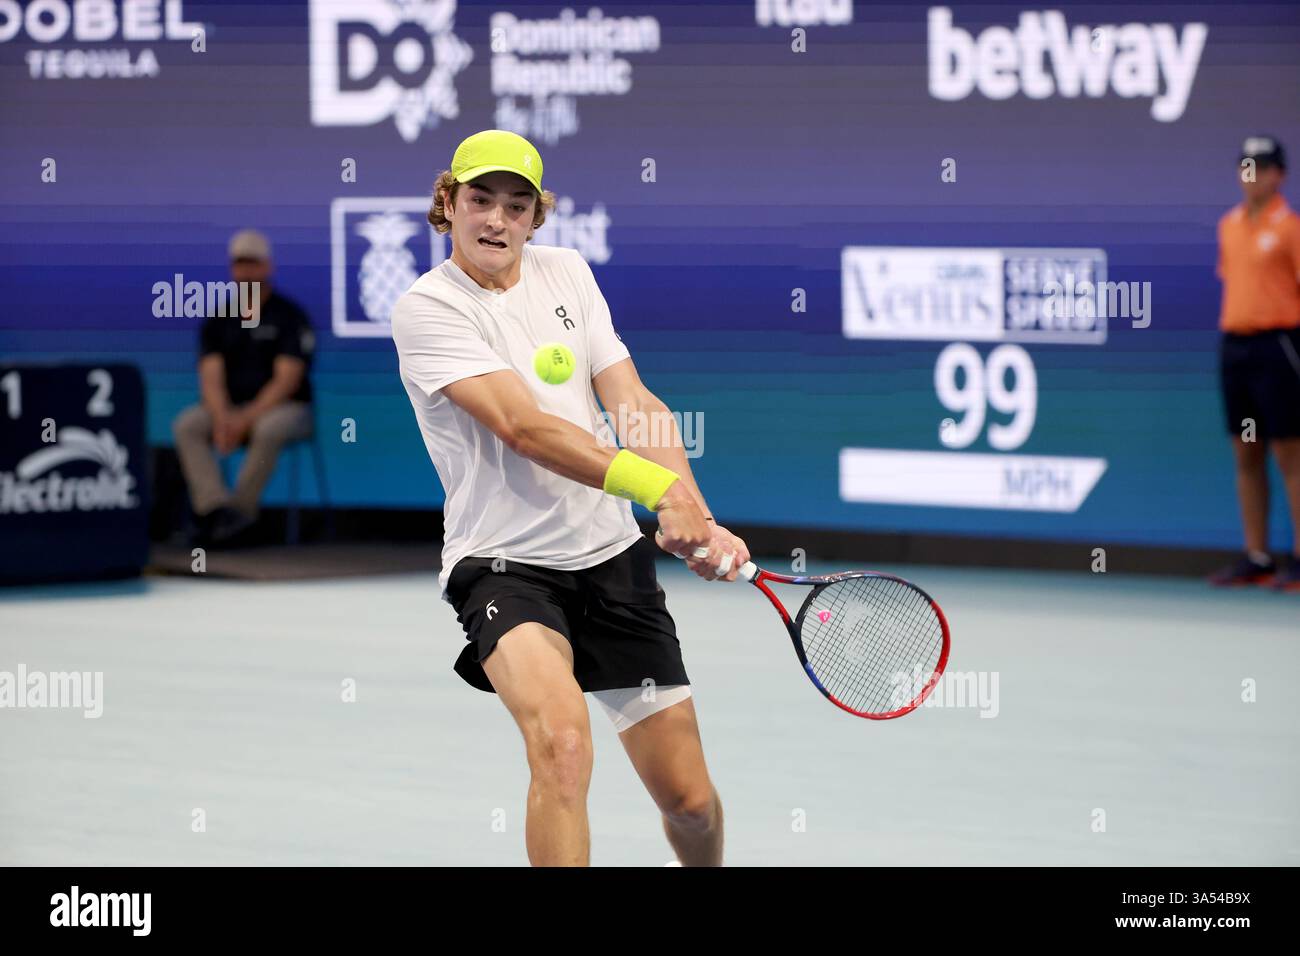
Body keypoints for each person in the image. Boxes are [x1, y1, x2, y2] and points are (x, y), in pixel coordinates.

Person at [390, 130, 748, 866]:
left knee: (689, 803)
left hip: (610, 560)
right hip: (503, 567)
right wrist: (658, 490)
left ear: (536, 217)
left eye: (516, 206)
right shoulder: (427, 309)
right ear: (448, 203)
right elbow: (525, 428)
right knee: (562, 745)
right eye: (480, 200)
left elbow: (633, 400)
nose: (496, 220)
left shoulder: (569, 275)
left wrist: (697, 514)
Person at [172, 229, 316, 547]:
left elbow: (286, 381)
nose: (246, 271)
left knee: (268, 428)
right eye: (240, 264)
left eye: (253, 263)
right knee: (188, 424)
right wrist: (223, 417)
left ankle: (240, 513)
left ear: (267, 267)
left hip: (286, 409)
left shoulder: (288, 316)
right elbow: (211, 377)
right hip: (230, 409)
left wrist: (243, 419)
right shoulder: (220, 319)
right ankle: (215, 510)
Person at [1210, 136, 1300, 591]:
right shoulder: (1229, 225)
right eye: (1246, 166)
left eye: (1262, 167)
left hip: (1278, 347)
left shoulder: (1291, 228)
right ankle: (1258, 555)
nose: (1253, 175)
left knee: (1290, 453)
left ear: (1278, 174)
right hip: (1236, 349)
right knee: (1246, 451)